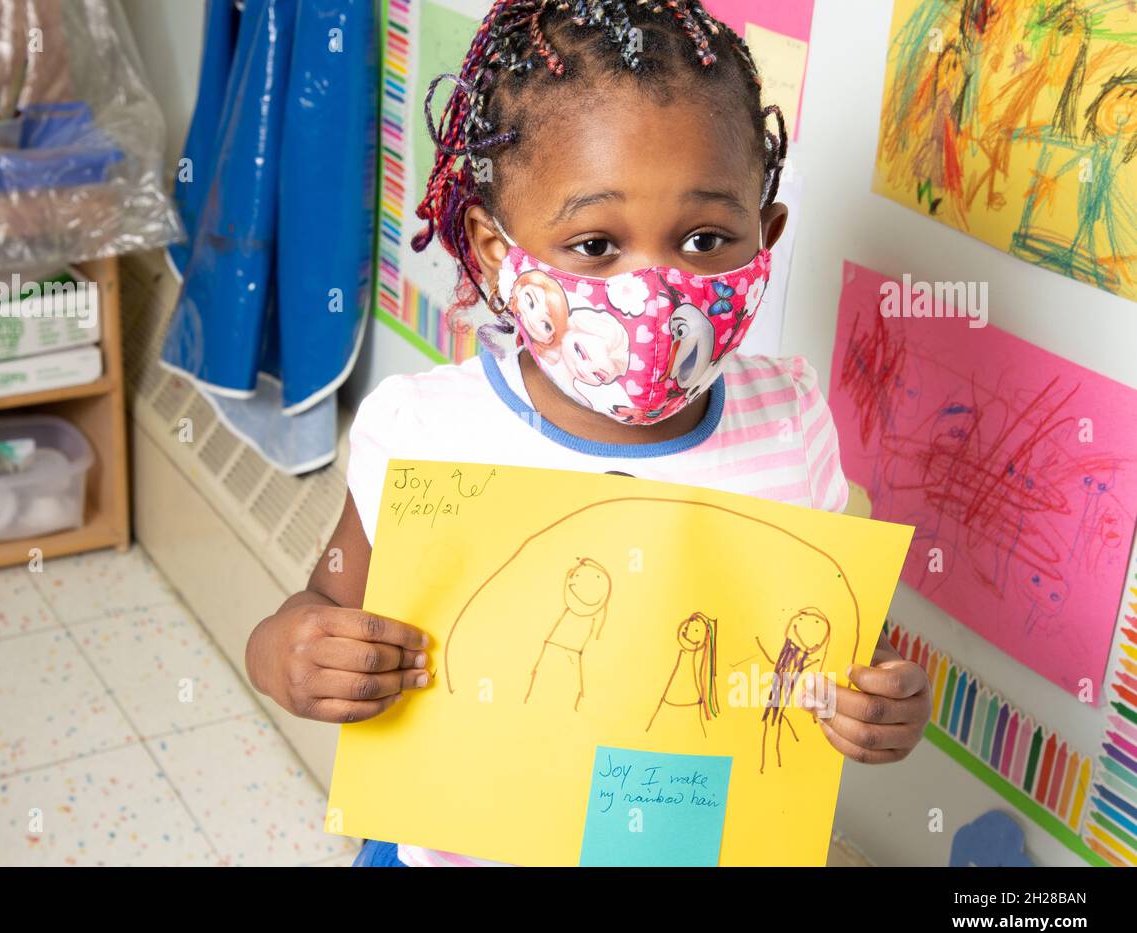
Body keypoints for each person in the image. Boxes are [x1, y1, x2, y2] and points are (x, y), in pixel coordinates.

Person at [245, 0, 932, 868]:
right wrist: (286, 654)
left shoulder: (791, 425)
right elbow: (327, 606)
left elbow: (839, 653)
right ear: (496, 253)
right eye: (597, 243)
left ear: (768, 239)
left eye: (705, 237)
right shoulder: (428, 431)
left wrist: (882, 704)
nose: (656, 292)